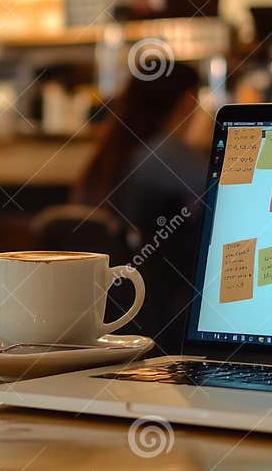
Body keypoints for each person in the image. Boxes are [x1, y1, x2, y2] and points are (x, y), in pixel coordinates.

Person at [72, 61, 208, 353]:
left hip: (110, 318)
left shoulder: (113, 152)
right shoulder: (165, 154)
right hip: (152, 322)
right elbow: (228, 197)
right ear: (189, 101)